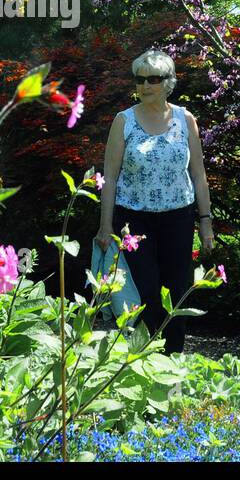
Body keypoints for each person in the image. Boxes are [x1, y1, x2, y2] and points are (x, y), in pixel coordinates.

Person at [96, 49, 214, 354]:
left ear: (168, 82)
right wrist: (105, 226)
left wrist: (205, 222)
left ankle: (173, 358)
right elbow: (110, 177)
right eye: (140, 79)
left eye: (153, 79)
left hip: (178, 219)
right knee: (144, 291)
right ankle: (144, 359)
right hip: (133, 221)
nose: (145, 85)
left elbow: (198, 173)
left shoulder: (185, 119)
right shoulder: (124, 121)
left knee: (176, 291)